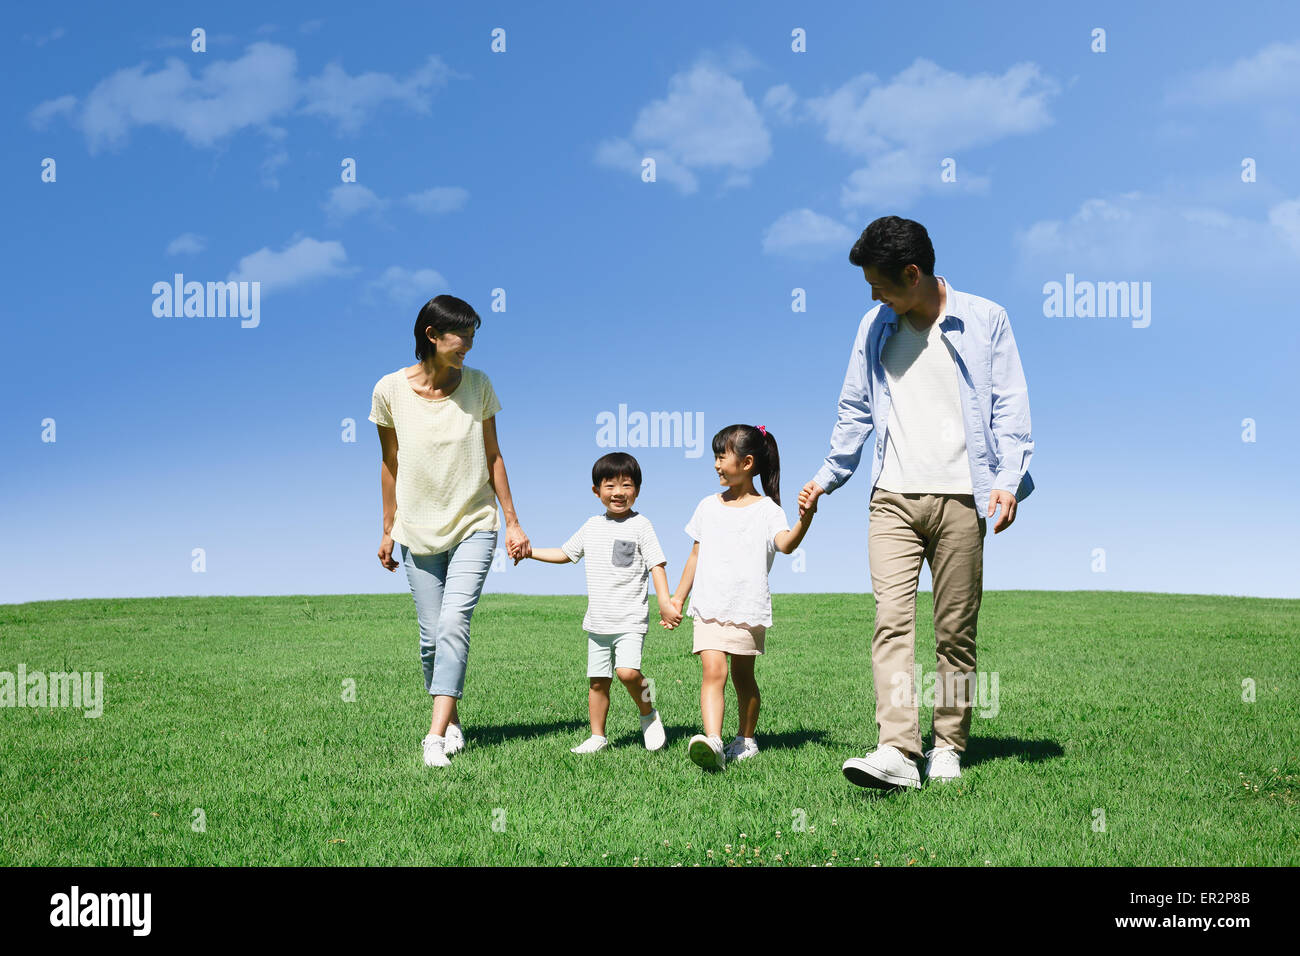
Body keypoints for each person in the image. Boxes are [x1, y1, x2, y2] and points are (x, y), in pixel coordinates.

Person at [798, 216, 1035, 791]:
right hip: (892, 497)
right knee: (891, 622)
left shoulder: (985, 321)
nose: (874, 295)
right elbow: (855, 407)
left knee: (955, 630)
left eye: (880, 283)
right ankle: (898, 750)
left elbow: (1009, 406)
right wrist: (831, 474)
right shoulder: (875, 326)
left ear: (913, 273)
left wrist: (1008, 480)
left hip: (963, 497)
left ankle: (948, 744)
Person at [369, 294, 532, 769]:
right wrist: (387, 528)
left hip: (474, 521)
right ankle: (453, 717)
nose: (469, 346)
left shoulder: (478, 385)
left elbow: (494, 455)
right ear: (432, 336)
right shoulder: (389, 390)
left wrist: (513, 521)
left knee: (453, 622)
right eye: (462, 337)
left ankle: (434, 736)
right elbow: (390, 461)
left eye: (473, 336)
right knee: (429, 638)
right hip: (416, 527)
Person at [671, 424, 815, 771]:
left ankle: (745, 739)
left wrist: (805, 518)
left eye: (723, 456)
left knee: (742, 677)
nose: (717, 464)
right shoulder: (707, 506)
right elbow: (695, 556)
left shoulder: (767, 510)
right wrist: (677, 599)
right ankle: (714, 742)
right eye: (716, 457)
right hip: (708, 605)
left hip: (746, 607)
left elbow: (785, 545)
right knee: (712, 670)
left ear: (747, 462)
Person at [519, 452, 675, 753]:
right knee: (598, 681)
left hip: (630, 619)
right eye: (610, 486)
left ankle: (648, 712)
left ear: (637, 490)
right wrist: (529, 552)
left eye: (627, 485)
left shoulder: (641, 525)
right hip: (598, 622)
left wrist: (665, 603)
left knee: (628, 673)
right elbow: (566, 554)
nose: (619, 492)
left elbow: (657, 564)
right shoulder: (591, 526)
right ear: (596, 491)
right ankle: (597, 736)